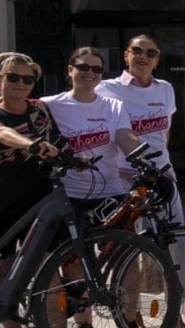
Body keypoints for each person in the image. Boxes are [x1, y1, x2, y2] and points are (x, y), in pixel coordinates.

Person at [0, 53, 65, 328]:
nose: (21, 84)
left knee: (48, 270)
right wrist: (30, 144)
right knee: (0, 268)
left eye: (28, 79)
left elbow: (58, 141)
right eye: (13, 77)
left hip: (35, 200)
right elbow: (0, 133)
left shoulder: (39, 110)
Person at [41, 47, 144, 232]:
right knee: (72, 251)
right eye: (83, 67)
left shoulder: (113, 106)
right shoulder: (49, 105)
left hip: (110, 192)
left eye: (97, 69)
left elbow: (126, 137)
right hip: (69, 195)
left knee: (123, 247)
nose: (90, 73)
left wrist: (146, 160)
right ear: (70, 70)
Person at [100, 35, 178, 209]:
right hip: (125, 177)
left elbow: (164, 133)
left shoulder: (165, 88)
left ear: (157, 60)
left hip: (161, 173)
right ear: (126, 55)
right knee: (129, 227)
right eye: (137, 51)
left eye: (151, 53)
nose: (143, 56)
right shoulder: (105, 88)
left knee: (173, 225)